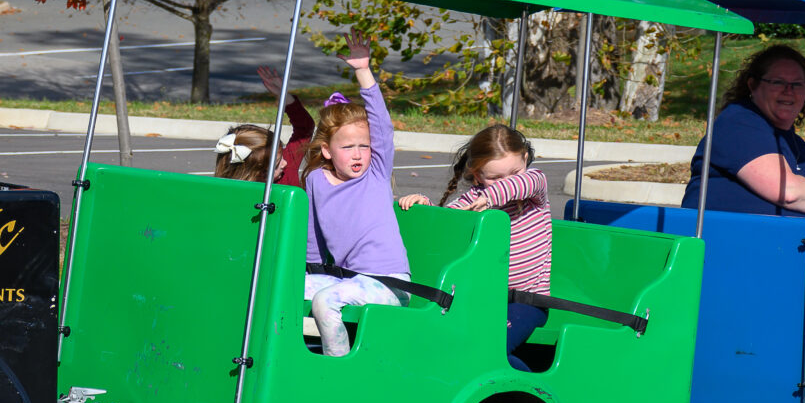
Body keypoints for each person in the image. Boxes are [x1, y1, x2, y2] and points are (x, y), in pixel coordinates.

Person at [400, 125, 551, 371]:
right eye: (494, 177)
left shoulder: (533, 189)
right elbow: (448, 223)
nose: (506, 181)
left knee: (489, 349)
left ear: (525, 160)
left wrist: (493, 195)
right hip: (483, 299)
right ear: (477, 174)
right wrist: (424, 207)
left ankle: (532, 390)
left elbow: (526, 182)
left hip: (527, 301)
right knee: (453, 345)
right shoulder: (473, 200)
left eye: (514, 171)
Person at [300, 30, 410, 356]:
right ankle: (293, 360)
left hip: (389, 283)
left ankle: (339, 369)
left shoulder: (375, 175)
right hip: (347, 280)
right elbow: (313, 237)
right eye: (348, 147)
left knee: (325, 301)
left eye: (364, 146)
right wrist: (309, 267)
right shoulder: (317, 180)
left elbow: (383, 127)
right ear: (328, 150)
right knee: (283, 289)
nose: (358, 154)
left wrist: (363, 71)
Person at [682, 44, 805, 216]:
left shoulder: (797, 145)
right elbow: (787, 192)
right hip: (726, 238)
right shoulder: (739, 123)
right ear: (753, 85)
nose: (788, 91)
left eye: (797, 84)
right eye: (778, 82)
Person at [212, 67, 314, 185]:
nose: (285, 163)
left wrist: (284, 95)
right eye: (276, 165)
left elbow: (305, 128)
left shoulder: (286, 172)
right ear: (253, 174)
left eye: (281, 157)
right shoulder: (234, 195)